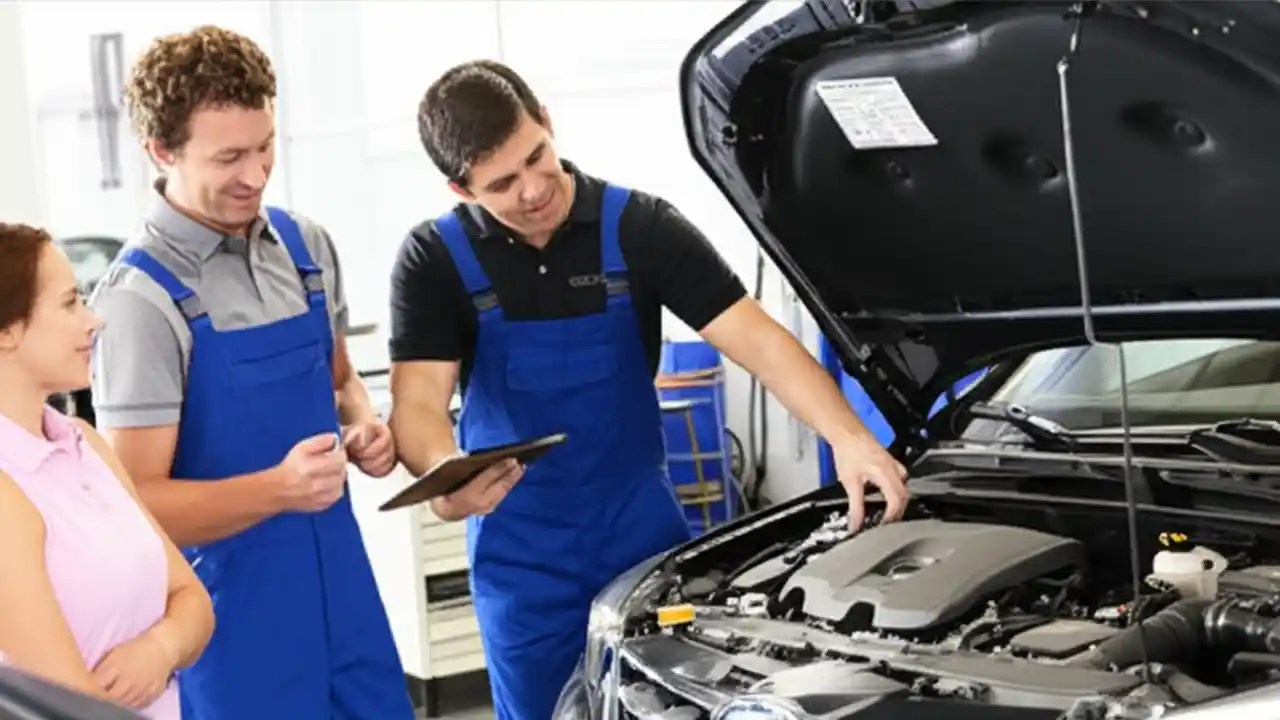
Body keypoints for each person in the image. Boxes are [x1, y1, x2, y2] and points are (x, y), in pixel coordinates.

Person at [389, 59, 911, 719]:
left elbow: (757, 341)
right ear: (460, 189)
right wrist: (444, 476)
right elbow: (417, 405)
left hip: (640, 542)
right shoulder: (433, 260)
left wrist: (851, 438)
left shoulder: (639, 228)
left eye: (536, 157)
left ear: (546, 122)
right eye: (501, 183)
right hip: (523, 565)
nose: (532, 190)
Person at [86, 26, 414, 720]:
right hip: (233, 620)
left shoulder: (307, 247)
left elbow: (340, 381)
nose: (256, 175)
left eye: (265, 147)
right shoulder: (138, 300)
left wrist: (363, 423)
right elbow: (137, 502)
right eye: (229, 157)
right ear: (160, 151)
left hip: (345, 592)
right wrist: (278, 490)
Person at [0, 223, 215, 719]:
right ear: (7, 329)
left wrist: (159, 649)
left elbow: (194, 602)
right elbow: (68, 708)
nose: (94, 321)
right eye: (71, 302)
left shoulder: (85, 443)